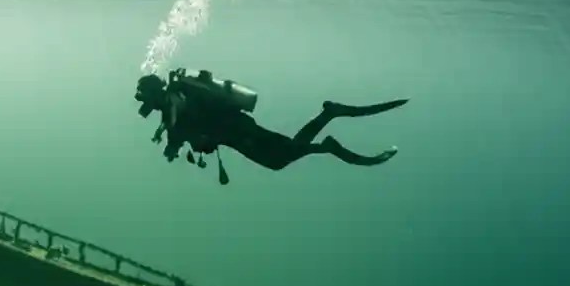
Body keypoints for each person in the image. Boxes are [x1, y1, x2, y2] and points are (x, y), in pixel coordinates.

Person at [134, 69, 408, 184]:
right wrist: (174, 145)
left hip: (241, 133)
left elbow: (179, 128)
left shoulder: (174, 103)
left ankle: (327, 135)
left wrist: (173, 146)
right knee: (284, 154)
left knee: (280, 158)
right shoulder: (173, 103)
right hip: (240, 132)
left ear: (155, 92)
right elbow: (179, 131)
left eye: (146, 97)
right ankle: (327, 122)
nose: (146, 104)